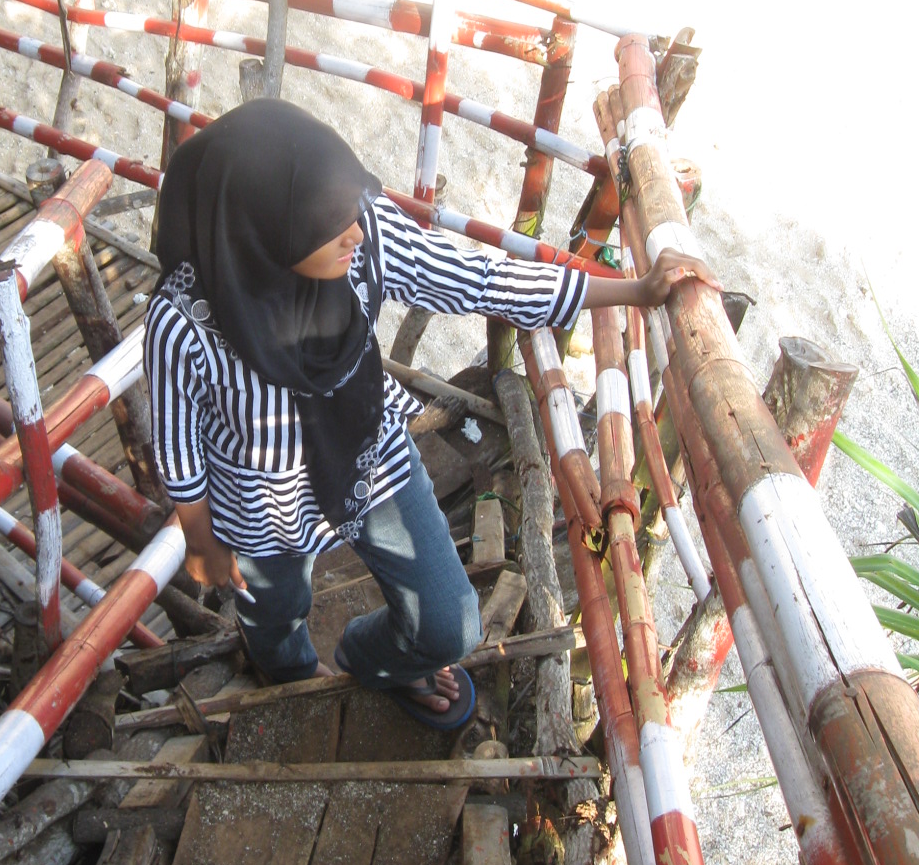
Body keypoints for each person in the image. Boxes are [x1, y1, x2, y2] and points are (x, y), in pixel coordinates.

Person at [144, 99, 713, 729]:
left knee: (449, 625)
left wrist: (634, 290)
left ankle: (371, 657)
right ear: (268, 230)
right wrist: (200, 537)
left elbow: (479, 279)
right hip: (260, 504)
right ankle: (295, 679)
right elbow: (178, 445)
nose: (355, 234)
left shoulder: (366, 234)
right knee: (275, 618)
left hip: (368, 452)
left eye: (352, 216)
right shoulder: (183, 323)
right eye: (331, 226)